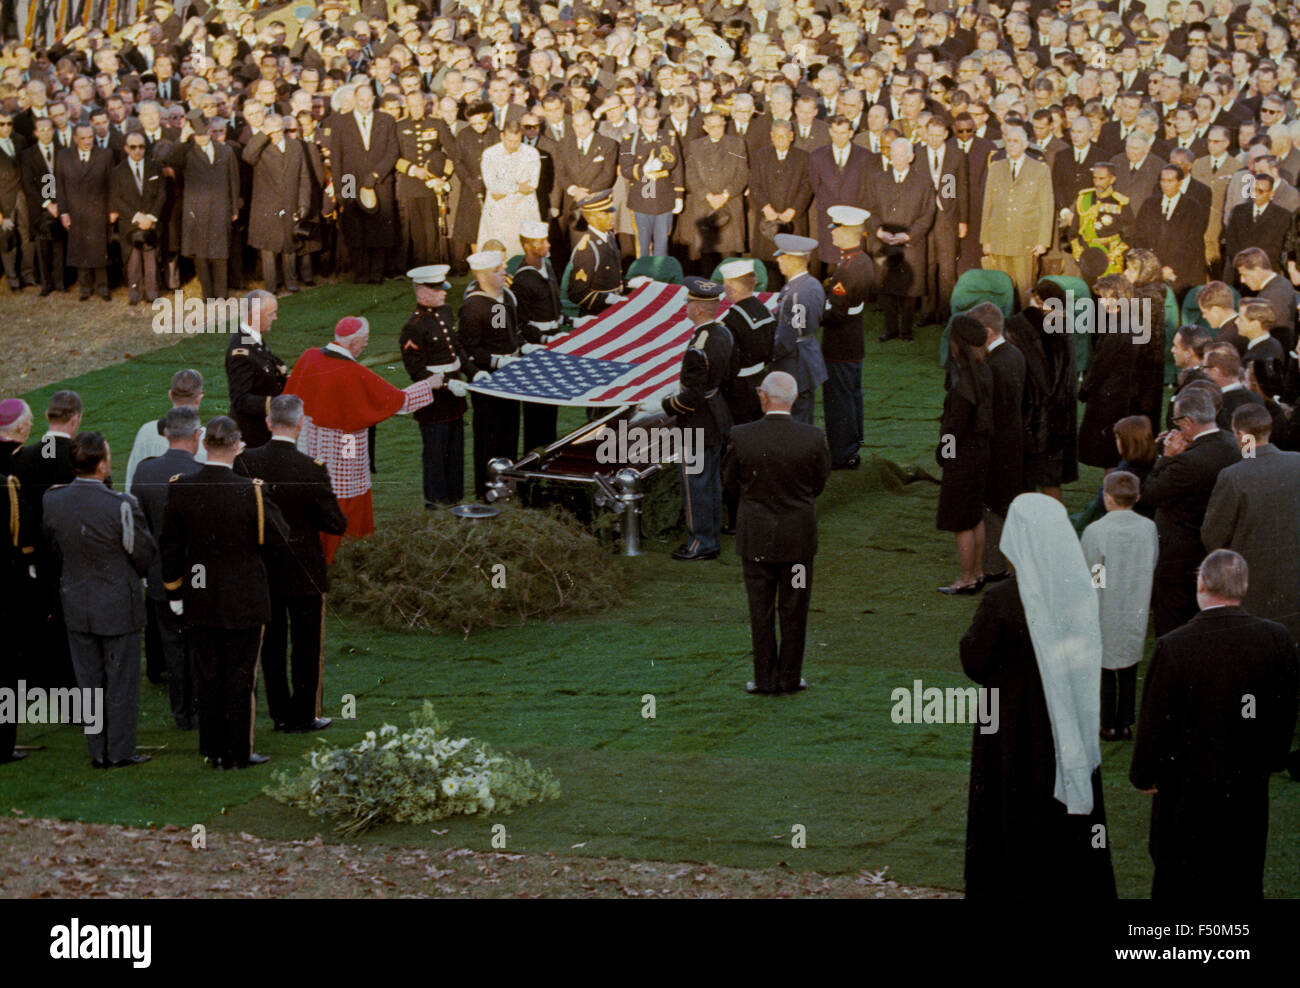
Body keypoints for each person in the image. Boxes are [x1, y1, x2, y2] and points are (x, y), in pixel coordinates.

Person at [960, 492, 1117, 900]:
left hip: (1012, 719)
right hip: (1066, 718)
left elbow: (974, 657)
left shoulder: (1004, 598)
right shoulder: (1078, 590)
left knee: (1010, 803)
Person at [1130, 549, 1299, 899]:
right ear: (1244, 586)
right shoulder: (1276, 638)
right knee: (1241, 873)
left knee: (1180, 879)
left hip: (1184, 792)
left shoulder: (1174, 647)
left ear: (1202, 583)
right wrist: (1271, 758)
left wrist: (1144, 775)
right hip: (1246, 786)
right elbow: (1284, 713)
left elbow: (1154, 722)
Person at [161, 416, 289, 770]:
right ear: (237, 445)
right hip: (244, 596)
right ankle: (238, 751)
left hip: (199, 594)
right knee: (240, 675)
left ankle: (213, 748)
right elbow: (278, 537)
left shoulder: (181, 487)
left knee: (208, 673)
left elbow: (170, 547)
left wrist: (175, 592)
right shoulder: (252, 490)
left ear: (203, 443)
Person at [284, 316, 441, 563]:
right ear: (354, 342)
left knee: (316, 501)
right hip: (346, 447)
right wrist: (429, 384)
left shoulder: (309, 357)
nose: (365, 347)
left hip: (310, 446)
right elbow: (398, 402)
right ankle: (347, 557)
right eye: (364, 341)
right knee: (348, 497)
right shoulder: (354, 372)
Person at [42, 432, 156, 768]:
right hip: (118, 604)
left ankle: (98, 751)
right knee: (120, 680)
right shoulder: (121, 504)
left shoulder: (54, 499)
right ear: (103, 464)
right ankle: (119, 751)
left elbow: (53, 544)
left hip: (77, 601)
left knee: (88, 681)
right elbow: (144, 554)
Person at [235, 395, 347, 734]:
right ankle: (304, 713)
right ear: (301, 424)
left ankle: (280, 712)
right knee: (306, 644)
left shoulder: (245, 463)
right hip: (304, 569)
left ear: (269, 423)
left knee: (272, 644)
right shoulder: (310, 467)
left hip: (264, 568)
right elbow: (336, 523)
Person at [722, 371, 830, 695]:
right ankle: (789, 677)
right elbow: (819, 483)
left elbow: (729, 481)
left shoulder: (742, 436)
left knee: (761, 607)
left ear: (763, 397)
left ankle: (765, 678)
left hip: (757, 538)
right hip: (797, 539)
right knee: (795, 606)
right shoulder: (813, 437)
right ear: (795, 398)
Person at [1141, 388, 1242, 636]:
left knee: (1173, 624)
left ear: (1187, 422)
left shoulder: (1188, 462)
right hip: (1215, 547)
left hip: (1178, 554)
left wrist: (1166, 457)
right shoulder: (1232, 443)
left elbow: (1151, 493)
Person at [130, 406, 204, 727]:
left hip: (161, 575)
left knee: (173, 646)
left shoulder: (144, 473)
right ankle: (199, 710)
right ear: (197, 436)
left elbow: (138, 528)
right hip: (199, 578)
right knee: (198, 645)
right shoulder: (203, 472)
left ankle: (182, 712)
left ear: (165, 434)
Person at [1202, 403, 1300, 643]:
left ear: (1240, 434)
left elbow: (1212, 537)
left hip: (1251, 583)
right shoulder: (1297, 462)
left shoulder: (1233, 475)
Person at [657, 276, 736, 562]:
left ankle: (701, 542)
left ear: (699, 309)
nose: (687, 307)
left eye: (690, 303)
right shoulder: (723, 333)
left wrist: (663, 404)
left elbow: (690, 398)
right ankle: (710, 536)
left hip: (697, 423)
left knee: (696, 485)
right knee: (711, 481)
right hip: (717, 416)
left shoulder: (698, 347)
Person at [1081, 470, 1159, 741]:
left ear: (1107, 497)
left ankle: (1107, 723)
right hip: (1135, 600)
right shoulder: (1148, 527)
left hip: (1105, 602)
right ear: (1137, 497)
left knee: (1103, 666)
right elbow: (1152, 560)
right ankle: (1125, 722)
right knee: (1129, 663)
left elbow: (1094, 568)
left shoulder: (1096, 530)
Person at [399, 264, 471, 509]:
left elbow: (456, 348)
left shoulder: (446, 312)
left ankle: (455, 498)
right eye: (437, 289)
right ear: (421, 293)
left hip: (454, 400)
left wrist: (474, 372)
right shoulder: (414, 326)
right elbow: (416, 370)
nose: (443, 293)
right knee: (436, 455)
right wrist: (449, 384)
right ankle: (436, 503)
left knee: (455, 451)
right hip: (434, 403)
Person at [969, 302, 1026, 585]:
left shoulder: (994, 365)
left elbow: (991, 413)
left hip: (999, 447)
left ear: (988, 332)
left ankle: (996, 569)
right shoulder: (1015, 354)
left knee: (994, 509)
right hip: (1014, 443)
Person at [937, 315, 994, 595]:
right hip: (980, 452)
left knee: (962, 520)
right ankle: (977, 573)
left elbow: (954, 427)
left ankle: (966, 578)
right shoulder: (984, 370)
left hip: (963, 457)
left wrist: (944, 453)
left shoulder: (962, 382)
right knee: (975, 516)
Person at [459, 249, 522, 497]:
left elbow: (500, 334)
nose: (504, 272)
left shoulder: (498, 299)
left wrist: (517, 348)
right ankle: (486, 490)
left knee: (509, 433)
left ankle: (506, 485)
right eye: (498, 271)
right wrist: (496, 361)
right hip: (488, 383)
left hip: (508, 380)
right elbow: (468, 348)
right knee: (490, 438)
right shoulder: (473, 307)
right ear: (484, 276)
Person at [864, 137, 935, 342]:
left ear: (911, 157)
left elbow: (927, 215)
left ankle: (906, 331)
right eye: (893, 155)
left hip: (910, 243)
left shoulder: (924, 182)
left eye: (901, 155)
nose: (896, 159)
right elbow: (870, 209)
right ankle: (890, 329)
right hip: (884, 242)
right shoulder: (877, 180)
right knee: (886, 286)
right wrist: (878, 231)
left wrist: (908, 235)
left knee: (909, 288)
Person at [820, 205, 875, 469]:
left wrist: (814, 314)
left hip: (839, 343)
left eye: (835, 230)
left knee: (838, 400)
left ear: (847, 232)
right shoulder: (861, 260)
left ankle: (842, 454)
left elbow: (837, 313)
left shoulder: (846, 268)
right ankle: (852, 447)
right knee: (852, 396)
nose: (832, 235)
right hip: (854, 339)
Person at [980, 124, 1054, 305]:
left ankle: (1026, 328)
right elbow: (987, 205)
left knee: (1025, 288)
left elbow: (1047, 207)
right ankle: (1002, 328)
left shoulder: (1039, 169)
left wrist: (1043, 241)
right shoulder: (996, 167)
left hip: (1025, 240)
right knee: (1001, 289)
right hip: (999, 239)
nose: (1011, 144)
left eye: (1015, 141)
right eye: (1008, 141)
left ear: (1025, 144)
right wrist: (986, 239)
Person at [242, 113, 311, 295]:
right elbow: (247, 156)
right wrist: (264, 134)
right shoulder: (261, 147)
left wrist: (304, 203)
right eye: (271, 132)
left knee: (289, 245)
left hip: (290, 202)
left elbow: (304, 176)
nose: (275, 135)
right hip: (266, 207)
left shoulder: (296, 146)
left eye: (279, 130)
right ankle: (271, 286)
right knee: (268, 249)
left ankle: (291, 282)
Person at [512, 220, 564, 451]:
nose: (546, 244)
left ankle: (548, 452)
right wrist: (543, 339)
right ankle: (534, 458)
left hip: (553, 341)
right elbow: (520, 322)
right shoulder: (523, 279)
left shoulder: (548, 267)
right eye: (540, 242)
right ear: (527, 246)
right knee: (536, 412)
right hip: (536, 347)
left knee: (551, 406)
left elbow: (555, 305)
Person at [769, 233, 826, 424]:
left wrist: (770, 355)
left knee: (796, 420)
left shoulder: (796, 293)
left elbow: (790, 335)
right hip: (807, 357)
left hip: (795, 364)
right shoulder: (811, 284)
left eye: (783, 257)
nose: (779, 261)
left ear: (794, 261)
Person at [123, 368, 206, 492]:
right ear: (199, 398)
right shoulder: (207, 440)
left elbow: (131, 482)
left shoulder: (145, 432)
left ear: (170, 395)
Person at [225, 289, 287, 451]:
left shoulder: (251, 338)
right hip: (253, 436)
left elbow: (266, 362)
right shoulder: (240, 351)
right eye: (271, 314)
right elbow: (240, 399)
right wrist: (277, 404)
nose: (276, 318)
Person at [108, 130, 165, 305]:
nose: (138, 151)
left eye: (141, 147)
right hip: (130, 221)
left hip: (150, 221)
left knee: (151, 258)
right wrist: (136, 216)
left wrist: (150, 216)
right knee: (132, 259)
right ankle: (134, 293)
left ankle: (152, 293)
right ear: (126, 148)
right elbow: (116, 198)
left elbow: (162, 194)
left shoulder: (155, 167)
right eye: (133, 147)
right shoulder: (117, 171)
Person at [477, 122, 541, 259]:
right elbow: (493, 187)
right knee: (496, 255)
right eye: (510, 141)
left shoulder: (531, 154)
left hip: (523, 211)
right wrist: (517, 187)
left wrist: (504, 188)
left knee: (524, 254)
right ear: (502, 136)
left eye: (517, 141)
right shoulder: (489, 154)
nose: (513, 145)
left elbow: (531, 185)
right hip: (498, 214)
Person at [567, 189, 624, 317]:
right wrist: (608, 299)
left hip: (614, 310)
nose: (612, 216)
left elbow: (610, 278)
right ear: (591, 217)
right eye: (606, 213)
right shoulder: (587, 249)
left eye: (612, 212)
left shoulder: (609, 236)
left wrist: (629, 283)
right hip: (596, 315)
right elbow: (577, 294)